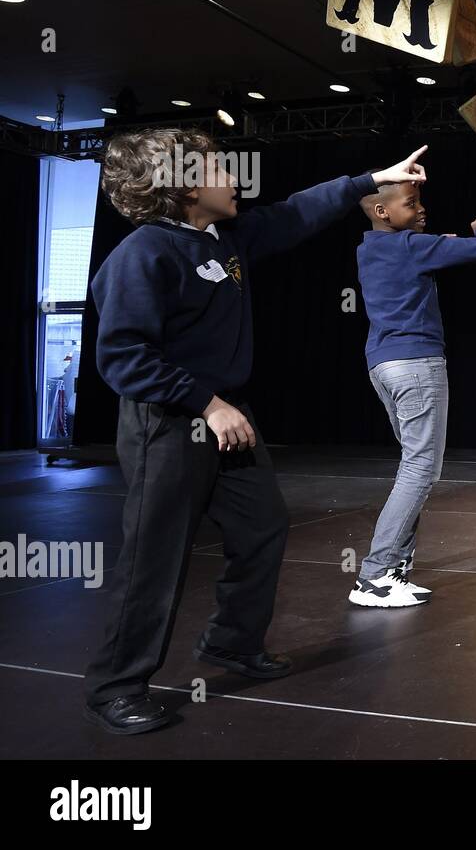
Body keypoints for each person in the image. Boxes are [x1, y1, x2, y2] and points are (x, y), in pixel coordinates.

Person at [84, 127, 427, 735]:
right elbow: (121, 357)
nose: (234, 178)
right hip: (168, 422)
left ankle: (230, 641)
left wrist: (372, 181)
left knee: (263, 526)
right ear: (186, 186)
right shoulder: (142, 255)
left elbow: (298, 212)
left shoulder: (228, 237)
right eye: (220, 169)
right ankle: (117, 687)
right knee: (155, 557)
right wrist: (207, 403)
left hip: (224, 416)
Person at [352, 180, 476, 607]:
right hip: (416, 364)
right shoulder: (412, 246)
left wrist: (432, 243)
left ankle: (394, 571)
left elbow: (418, 255)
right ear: (382, 212)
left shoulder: (369, 249)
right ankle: (375, 576)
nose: (421, 209)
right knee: (420, 470)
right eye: (410, 203)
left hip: (383, 364)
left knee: (413, 467)